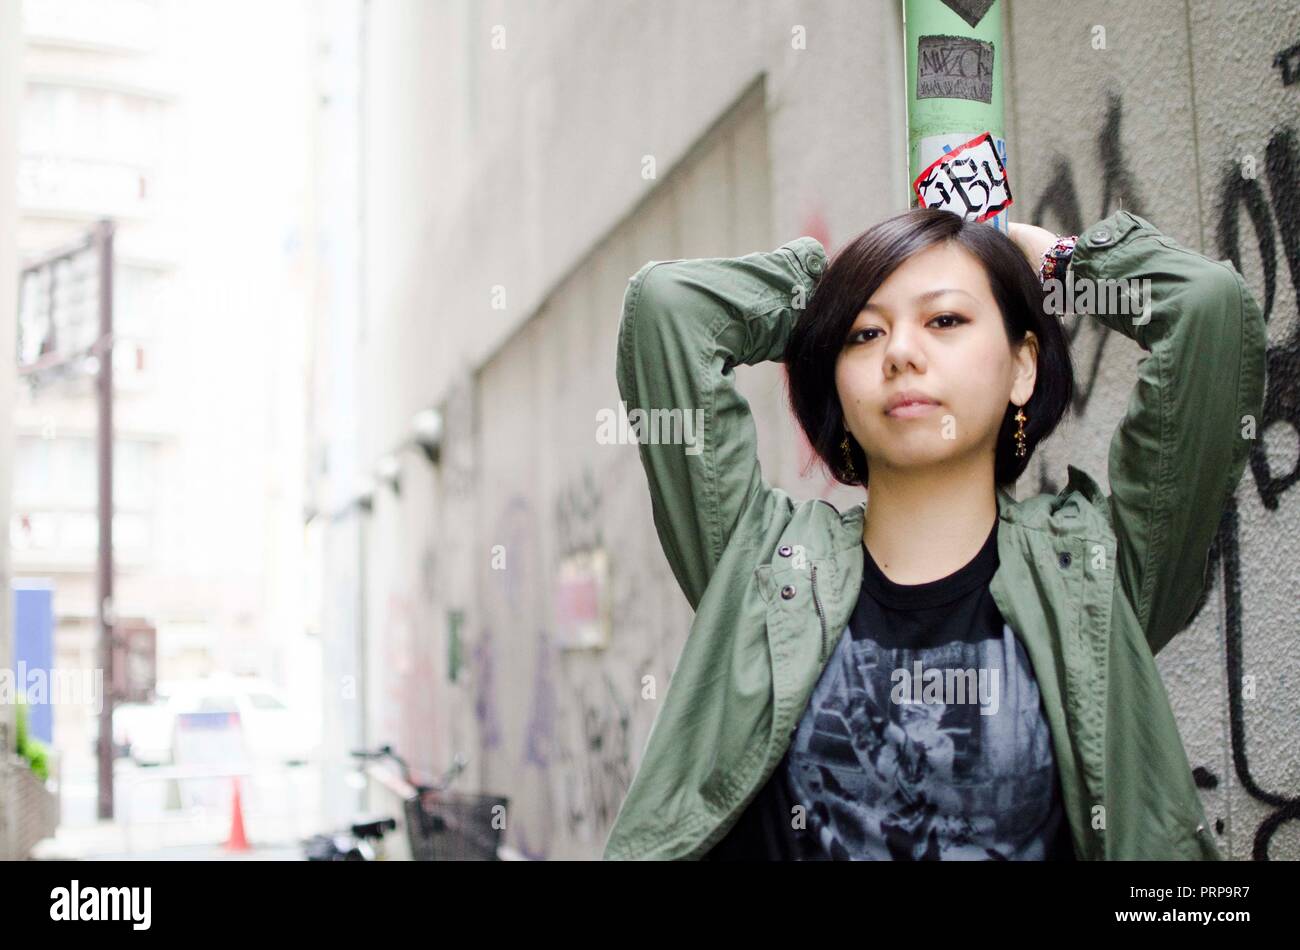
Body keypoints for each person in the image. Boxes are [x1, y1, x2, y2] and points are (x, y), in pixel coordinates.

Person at [601, 208, 1266, 860]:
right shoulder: (764, 563)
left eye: (944, 319)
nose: (899, 353)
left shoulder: (1093, 572)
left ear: (1023, 367)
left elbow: (1207, 311)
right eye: (864, 334)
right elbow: (668, 311)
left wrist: (1065, 267)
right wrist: (829, 289)